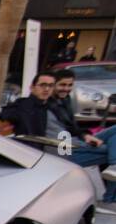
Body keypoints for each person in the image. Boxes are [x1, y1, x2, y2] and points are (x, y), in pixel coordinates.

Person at [50, 69, 116, 213]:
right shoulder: (47, 106)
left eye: (69, 85)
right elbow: (59, 136)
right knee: (113, 150)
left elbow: (72, 126)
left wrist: (86, 136)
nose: (66, 89)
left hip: (75, 140)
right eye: (62, 85)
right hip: (64, 148)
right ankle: (110, 198)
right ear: (52, 84)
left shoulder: (64, 100)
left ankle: (113, 169)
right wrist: (83, 141)